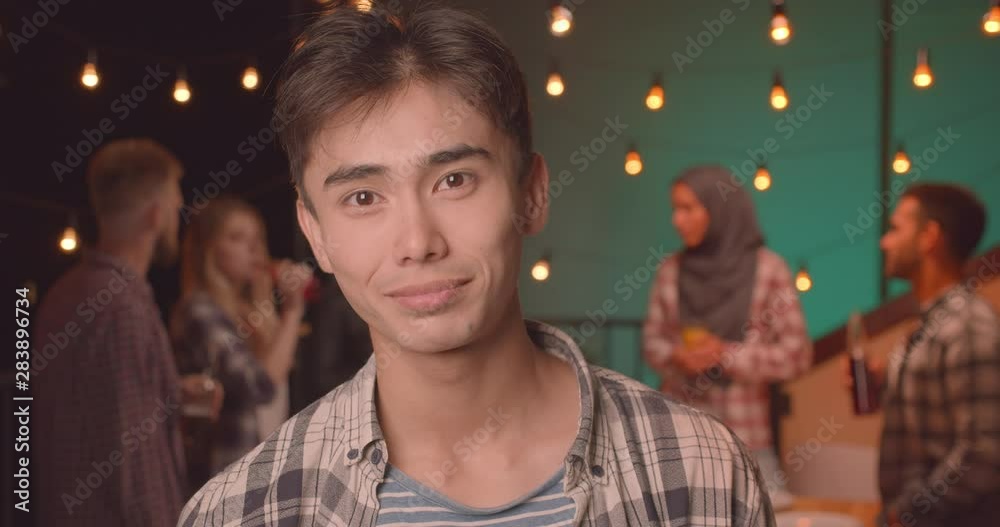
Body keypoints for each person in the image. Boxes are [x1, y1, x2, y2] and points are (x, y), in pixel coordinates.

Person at [179, 3, 774, 526]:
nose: (417, 242)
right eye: (362, 197)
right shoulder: (245, 510)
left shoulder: (701, 474)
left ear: (531, 193)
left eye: (454, 180)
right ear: (316, 234)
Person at [33, 138, 197, 526]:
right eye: (175, 207)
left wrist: (171, 392)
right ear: (155, 214)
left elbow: (88, 411)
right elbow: (134, 466)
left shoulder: (63, 292)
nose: (177, 219)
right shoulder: (122, 306)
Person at [642, 165, 812, 494]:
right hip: (679, 438)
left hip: (746, 440)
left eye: (688, 209)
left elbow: (797, 355)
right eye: (675, 209)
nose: (677, 220)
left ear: (718, 209)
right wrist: (678, 356)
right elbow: (652, 343)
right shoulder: (671, 271)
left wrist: (726, 354)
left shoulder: (769, 269)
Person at [863, 183, 999, 526]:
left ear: (929, 237)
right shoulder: (933, 322)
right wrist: (883, 384)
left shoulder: (968, 326)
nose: (884, 242)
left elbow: (984, 452)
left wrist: (906, 512)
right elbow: (932, 419)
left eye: (895, 229)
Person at [169, 196, 309, 489]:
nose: (254, 249)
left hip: (262, 473)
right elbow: (261, 385)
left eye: (257, 238)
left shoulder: (246, 312)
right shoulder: (200, 310)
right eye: (237, 238)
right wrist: (293, 310)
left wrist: (267, 301)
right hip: (225, 476)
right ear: (208, 249)